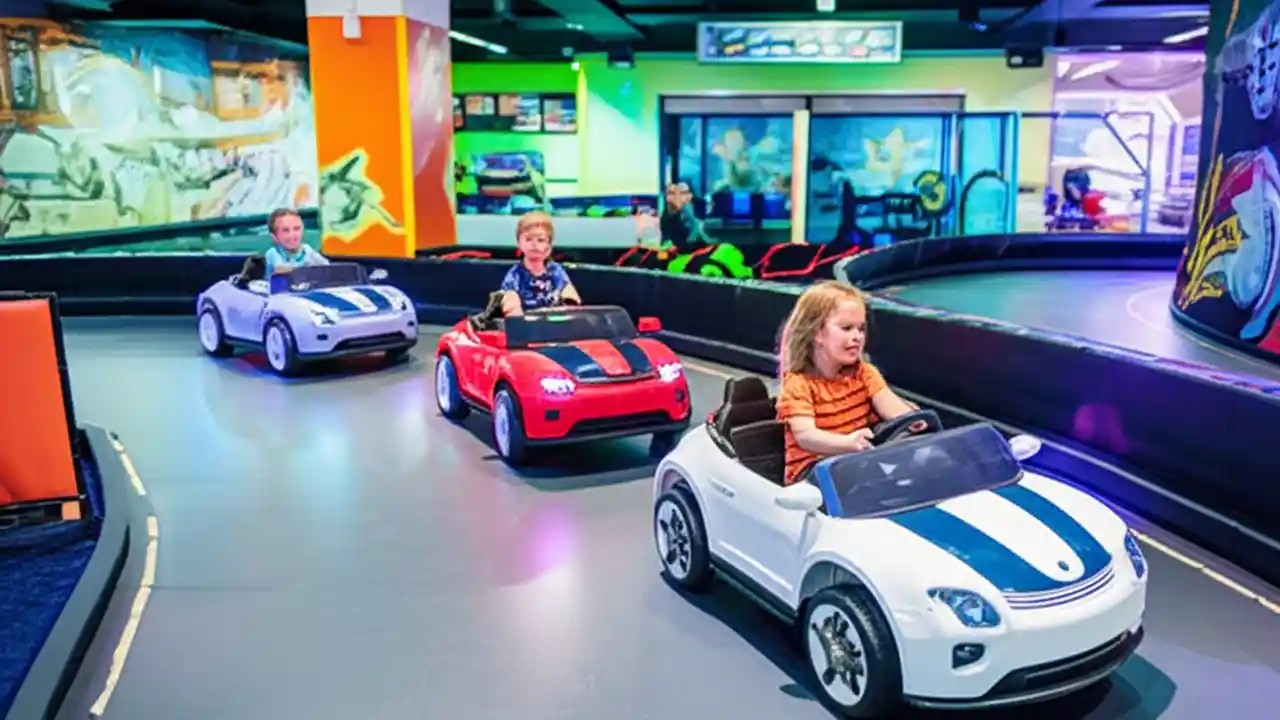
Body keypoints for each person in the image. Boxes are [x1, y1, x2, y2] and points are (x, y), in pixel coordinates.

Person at [776, 281, 924, 486]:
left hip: (855, 464)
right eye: (846, 328)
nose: (857, 337)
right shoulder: (799, 384)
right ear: (817, 333)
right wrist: (847, 443)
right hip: (810, 476)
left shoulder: (864, 373)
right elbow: (806, 436)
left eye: (861, 329)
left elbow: (891, 407)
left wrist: (912, 420)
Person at [500, 211, 581, 316]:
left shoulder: (555, 271)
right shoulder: (515, 274)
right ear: (519, 243)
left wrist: (569, 305)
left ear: (549, 245)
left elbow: (571, 298)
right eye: (528, 239)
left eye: (541, 240)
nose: (534, 244)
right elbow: (509, 304)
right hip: (526, 322)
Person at [264, 208, 328, 276]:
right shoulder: (273, 252)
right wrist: (307, 269)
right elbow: (280, 269)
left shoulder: (307, 249)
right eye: (285, 230)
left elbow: (327, 266)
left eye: (296, 229)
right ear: (274, 237)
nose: (292, 234)